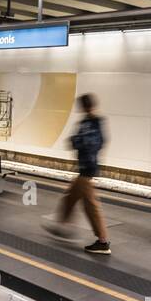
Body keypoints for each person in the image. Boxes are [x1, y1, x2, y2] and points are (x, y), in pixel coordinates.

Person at [43, 93, 112, 255]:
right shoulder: (89, 122)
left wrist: (76, 141)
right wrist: (77, 140)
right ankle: (61, 225)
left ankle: (102, 241)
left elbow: (90, 142)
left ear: (85, 106)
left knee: (91, 206)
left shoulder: (93, 122)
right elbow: (90, 141)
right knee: (70, 198)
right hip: (84, 167)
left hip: (88, 168)